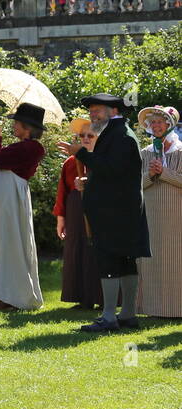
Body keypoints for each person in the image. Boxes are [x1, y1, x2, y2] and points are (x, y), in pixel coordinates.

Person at [58, 94, 152, 332]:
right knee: (125, 259)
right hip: (118, 210)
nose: (92, 116)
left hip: (115, 212)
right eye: (91, 112)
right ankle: (127, 314)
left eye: (96, 111)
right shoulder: (115, 134)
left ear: (113, 111)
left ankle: (110, 316)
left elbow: (112, 169)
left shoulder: (120, 136)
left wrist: (79, 152)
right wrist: (89, 181)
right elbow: (112, 173)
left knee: (111, 260)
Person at [0, 103, 46, 311]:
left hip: (11, 198)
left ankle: (13, 295)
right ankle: (3, 293)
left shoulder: (32, 147)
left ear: (26, 126)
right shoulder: (23, 146)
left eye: (17, 123)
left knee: (10, 244)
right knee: (3, 243)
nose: (14, 126)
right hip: (6, 197)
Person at [136, 105, 182, 318]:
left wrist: (164, 173)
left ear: (169, 124)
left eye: (159, 122)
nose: (155, 126)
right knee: (152, 260)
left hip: (176, 215)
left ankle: (177, 309)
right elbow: (134, 184)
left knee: (176, 259)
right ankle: (153, 308)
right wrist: (150, 175)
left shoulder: (180, 151)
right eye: (152, 122)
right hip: (150, 214)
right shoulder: (145, 152)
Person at [54, 118, 103, 310]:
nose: (85, 138)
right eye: (82, 135)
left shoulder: (102, 160)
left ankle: (102, 298)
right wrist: (61, 218)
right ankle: (82, 297)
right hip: (75, 211)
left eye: (90, 135)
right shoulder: (70, 162)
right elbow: (62, 192)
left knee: (97, 250)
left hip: (99, 210)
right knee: (78, 249)